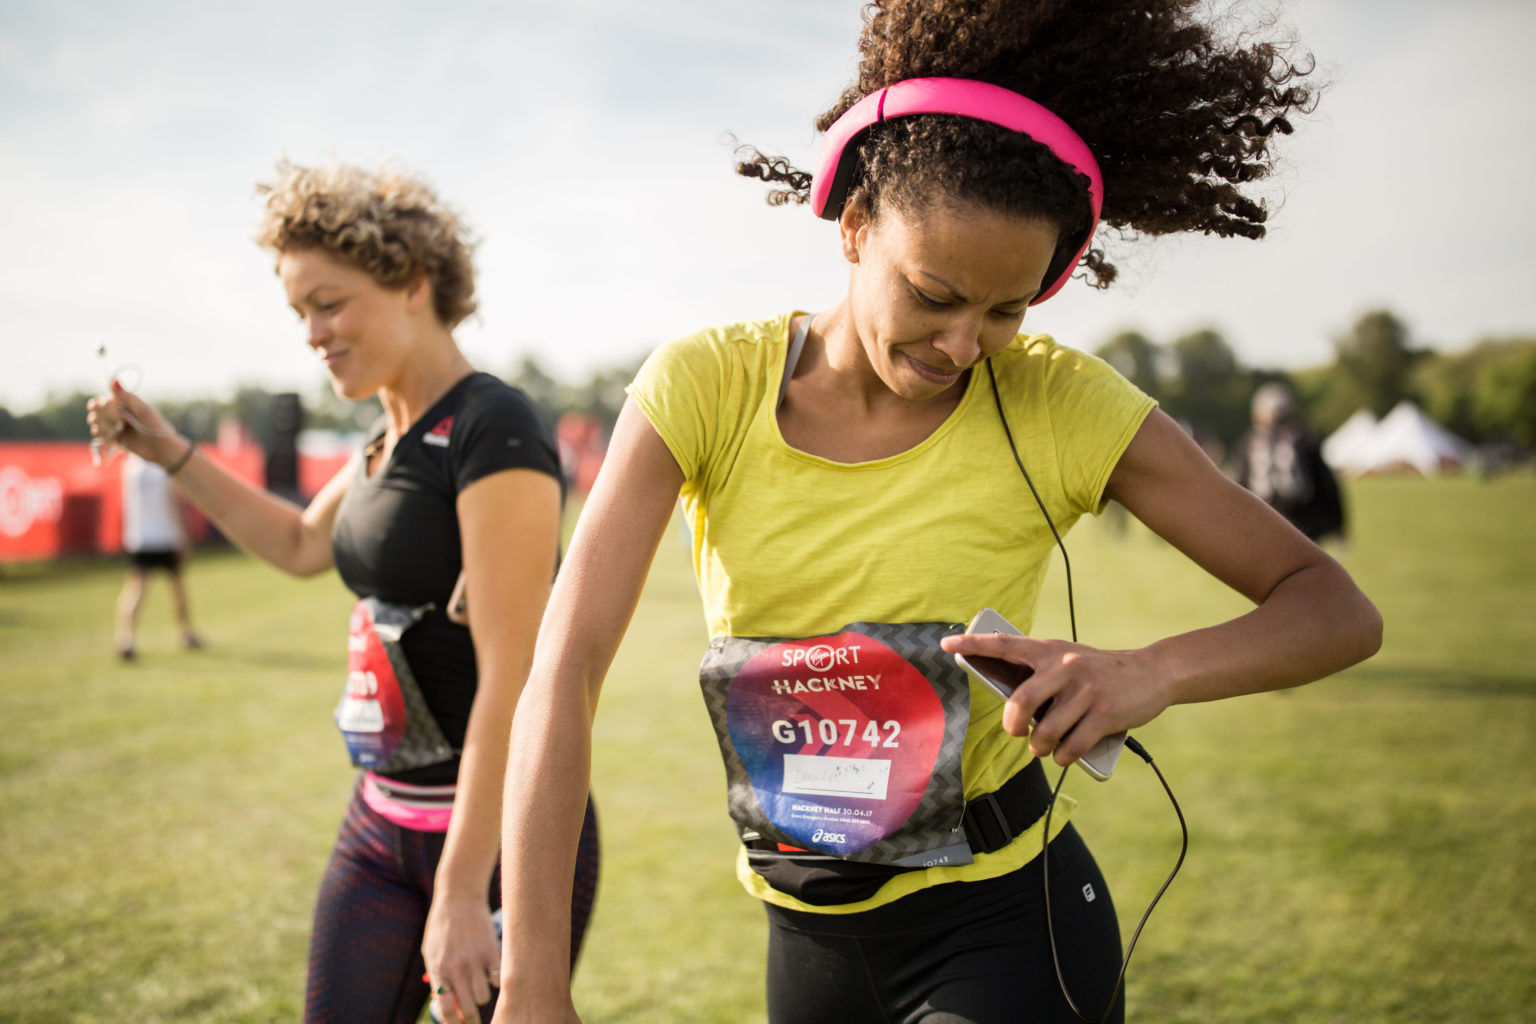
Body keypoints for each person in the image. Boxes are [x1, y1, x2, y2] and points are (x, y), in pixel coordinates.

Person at [492, 3, 1382, 1022]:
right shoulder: (703, 385)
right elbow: (561, 673)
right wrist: (534, 983)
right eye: (933, 293)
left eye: (1007, 310)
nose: (963, 345)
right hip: (806, 936)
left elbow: (1334, 607)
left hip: (1009, 931)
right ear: (856, 225)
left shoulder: (1062, 403)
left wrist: (1150, 671)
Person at [87, 161, 599, 1024]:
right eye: (298, 313)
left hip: (497, 844)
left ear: (411, 284)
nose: (312, 334)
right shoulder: (382, 437)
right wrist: (169, 451)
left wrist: (464, 889)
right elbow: (295, 544)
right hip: (377, 822)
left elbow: (513, 678)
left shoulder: (489, 425)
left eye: (328, 304)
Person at [1229, 381, 1346, 542]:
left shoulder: (1248, 443)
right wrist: (1337, 524)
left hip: (1263, 520)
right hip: (1303, 523)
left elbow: (1239, 485)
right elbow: (1326, 484)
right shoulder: (1305, 440)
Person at [115, 450, 202, 659]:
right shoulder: (164, 465)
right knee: (177, 587)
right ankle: (186, 633)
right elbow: (176, 503)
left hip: (140, 538)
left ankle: (125, 639)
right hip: (166, 536)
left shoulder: (130, 467)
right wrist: (184, 534)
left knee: (136, 588)